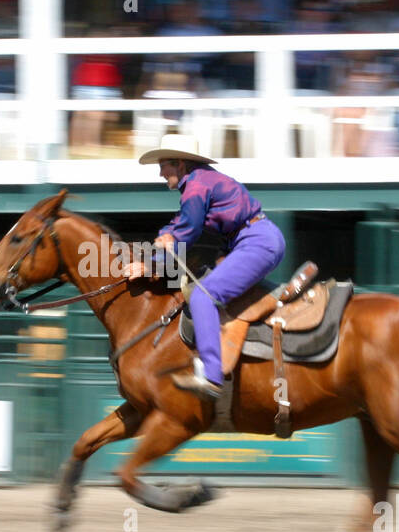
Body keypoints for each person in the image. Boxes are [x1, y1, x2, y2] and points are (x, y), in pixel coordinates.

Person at [122, 134, 286, 401]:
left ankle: (212, 377)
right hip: (252, 240)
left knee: (202, 295)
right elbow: (181, 225)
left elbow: (186, 232)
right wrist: (166, 239)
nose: (160, 172)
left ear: (180, 164)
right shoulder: (199, 181)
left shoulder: (196, 187)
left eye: (164, 164)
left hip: (256, 243)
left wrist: (150, 264)